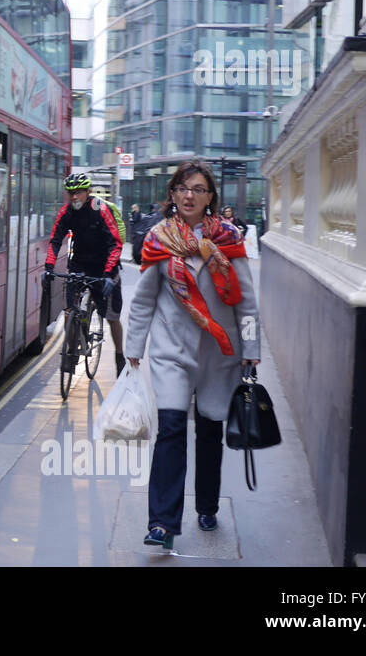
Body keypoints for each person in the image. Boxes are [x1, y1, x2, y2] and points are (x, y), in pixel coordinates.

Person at [125, 160, 260, 549]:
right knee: (170, 429)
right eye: (182, 188)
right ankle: (162, 523)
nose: (189, 195)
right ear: (172, 194)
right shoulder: (159, 238)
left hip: (220, 350)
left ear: (210, 197)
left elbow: (247, 303)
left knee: (209, 429)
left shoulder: (229, 239)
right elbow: (144, 299)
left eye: (198, 189)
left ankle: (206, 504)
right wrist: (133, 348)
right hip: (172, 351)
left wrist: (251, 348)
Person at [43, 174, 127, 375]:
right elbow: (55, 240)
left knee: (112, 317)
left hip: (104, 267)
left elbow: (115, 243)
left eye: (79, 192)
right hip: (79, 264)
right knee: (69, 311)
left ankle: (119, 355)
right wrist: (48, 266)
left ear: (88, 192)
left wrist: (108, 274)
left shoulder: (100, 209)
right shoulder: (67, 212)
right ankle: (71, 352)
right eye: (71, 193)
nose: (74, 197)